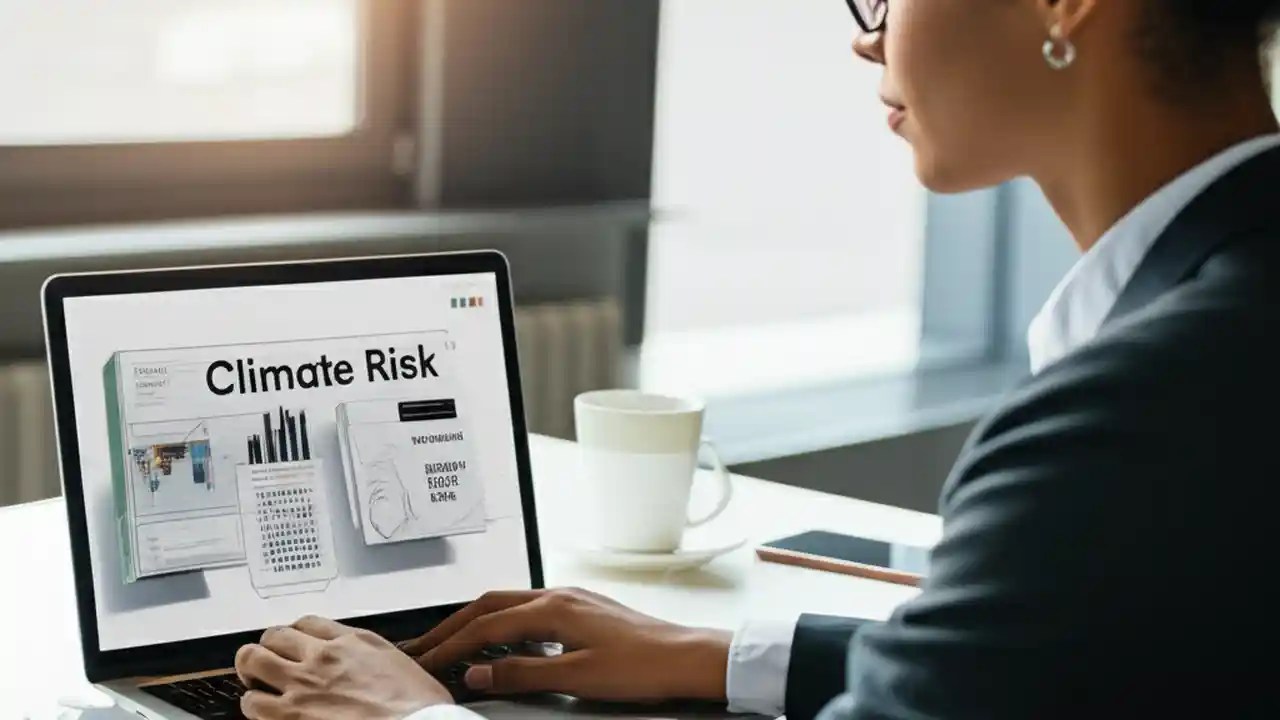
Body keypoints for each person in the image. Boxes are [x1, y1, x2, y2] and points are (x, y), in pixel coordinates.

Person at [233, 0, 1280, 717]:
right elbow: (1061, 662)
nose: (868, 41)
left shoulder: (1138, 409)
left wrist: (408, 714)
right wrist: (715, 656)